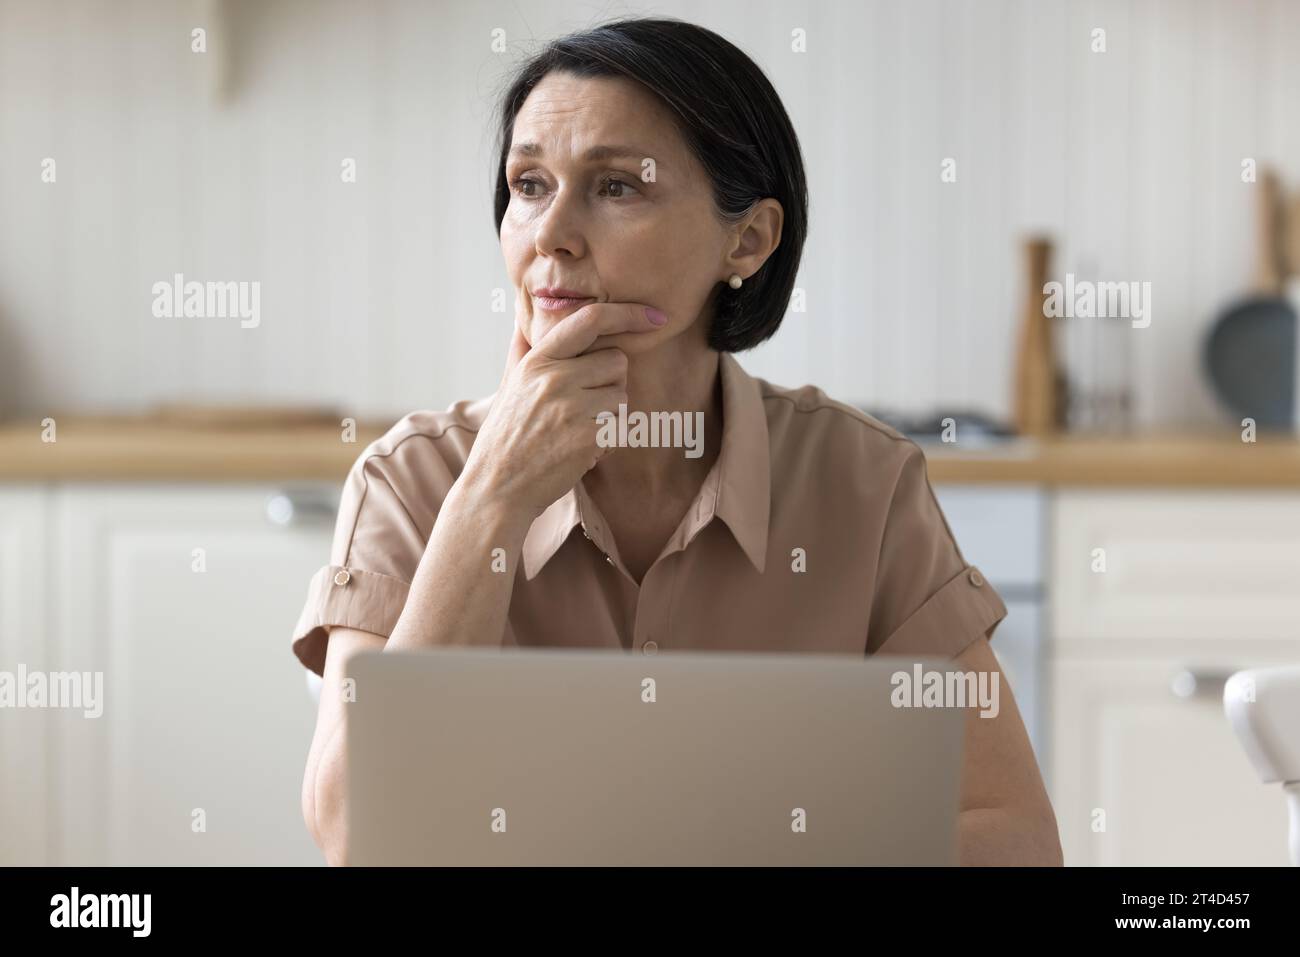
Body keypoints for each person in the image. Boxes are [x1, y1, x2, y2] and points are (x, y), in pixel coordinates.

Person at [293, 16, 1063, 867]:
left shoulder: (864, 483)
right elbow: (359, 839)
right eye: (529, 184)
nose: (551, 234)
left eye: (617, 186)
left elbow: (1016, 838)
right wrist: (494, 494)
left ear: (749, 239)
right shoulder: (412, 481)